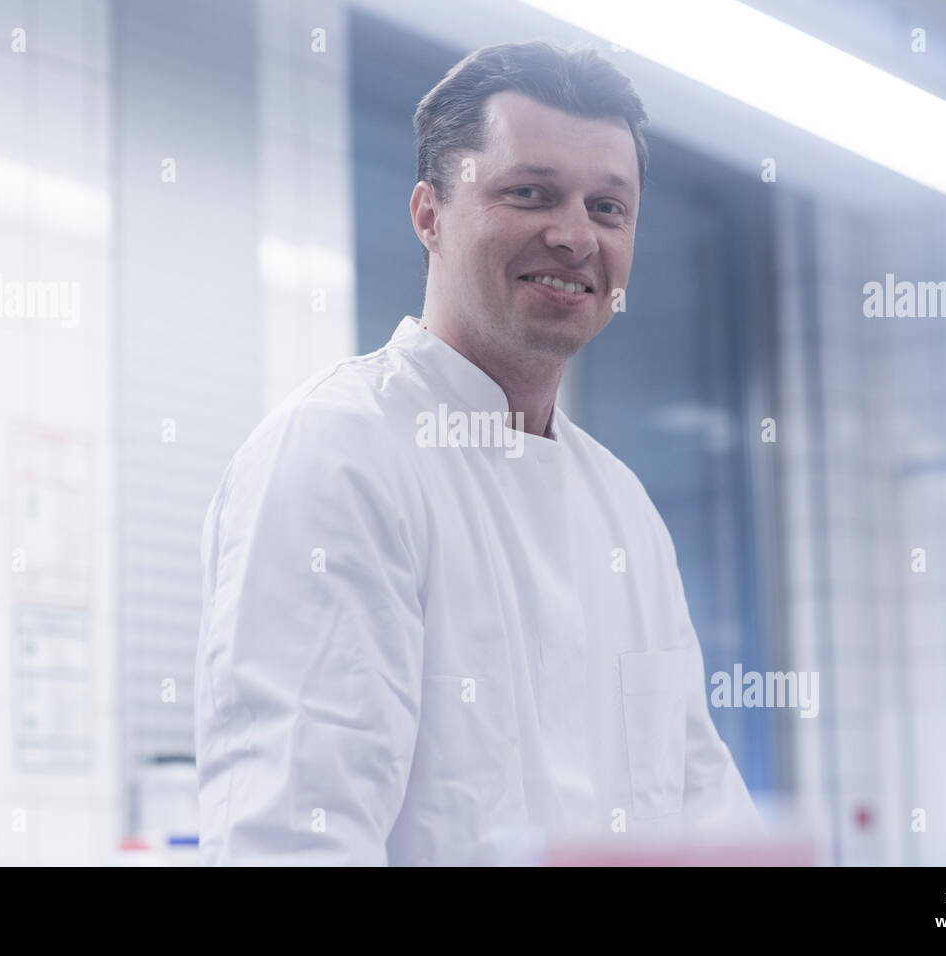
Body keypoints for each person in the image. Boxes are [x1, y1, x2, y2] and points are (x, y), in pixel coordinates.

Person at [194, 41, 762, 866]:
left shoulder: (624, 508)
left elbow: (703, 814)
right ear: (429, 214)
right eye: (530, 194)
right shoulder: (338, 455)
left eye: (609, 209)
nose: (574, 237)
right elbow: (294, 838)